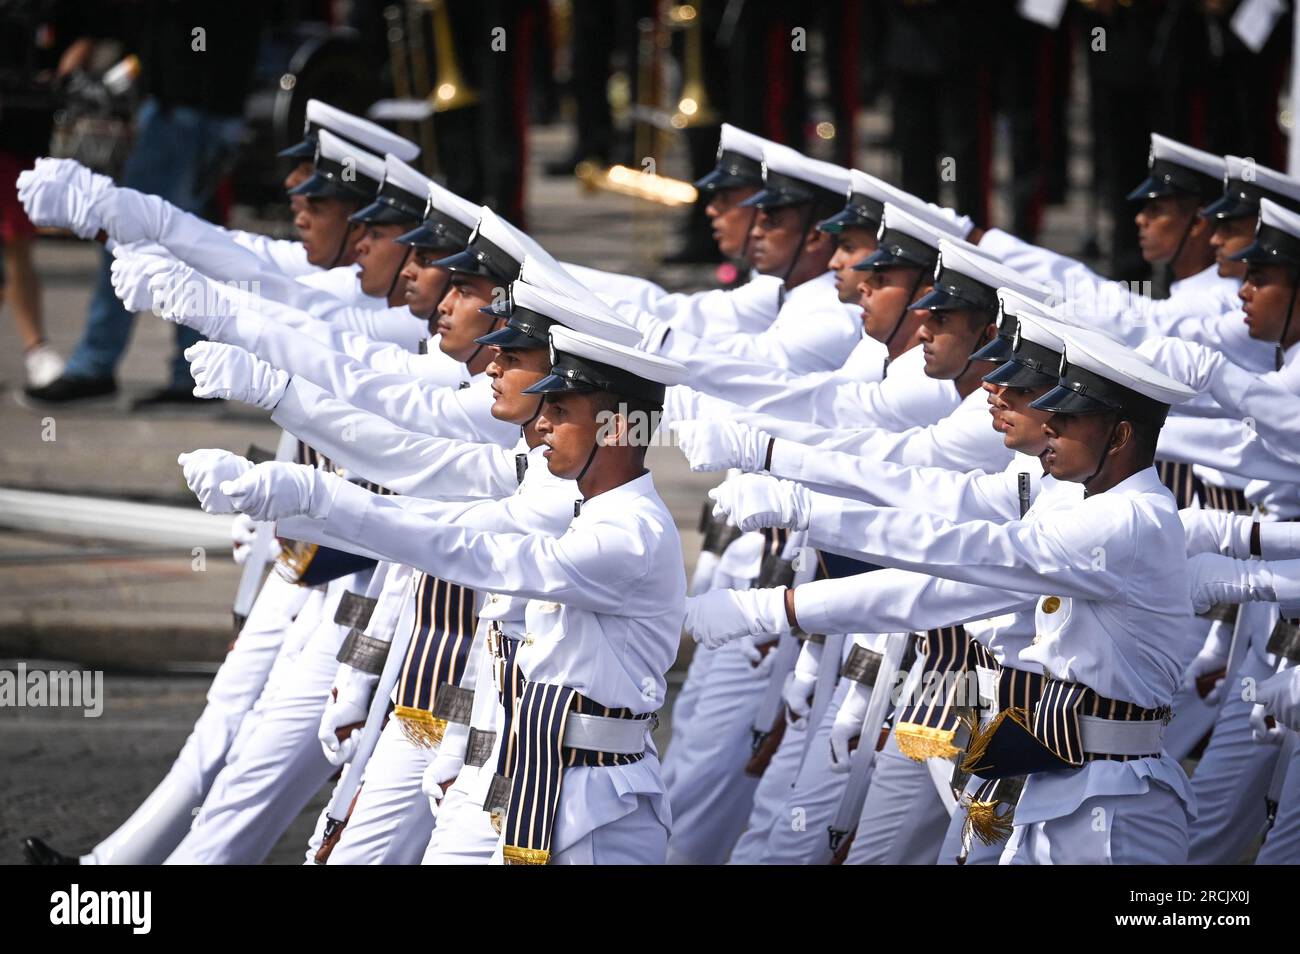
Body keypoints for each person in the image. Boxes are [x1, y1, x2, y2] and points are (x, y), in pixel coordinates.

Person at [688, 330, 1201, 864]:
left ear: (1118, 437)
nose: (1047, 424)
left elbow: (964, 551)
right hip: (1039, 759)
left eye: (1065, 419)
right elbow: (941, 529)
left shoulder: (1123, 522)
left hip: (1109, 798)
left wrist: (808, 516)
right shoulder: (1082, 502)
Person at [184, 326, 689, 864]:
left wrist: (318, 496)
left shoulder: (629, 537)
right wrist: (301, 506)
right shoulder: (589, 510)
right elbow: (446, 527)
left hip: (595, 807)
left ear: (614, 428)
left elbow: (471, 552)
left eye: (560, 411)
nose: (540, 423)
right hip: (526, 774)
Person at [23, 1, 263, 408]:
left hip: (186, 105)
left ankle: (96, 365)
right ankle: (196, 372)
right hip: (206, 101)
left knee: (127, 233)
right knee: (195, 247)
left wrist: (90, 34)